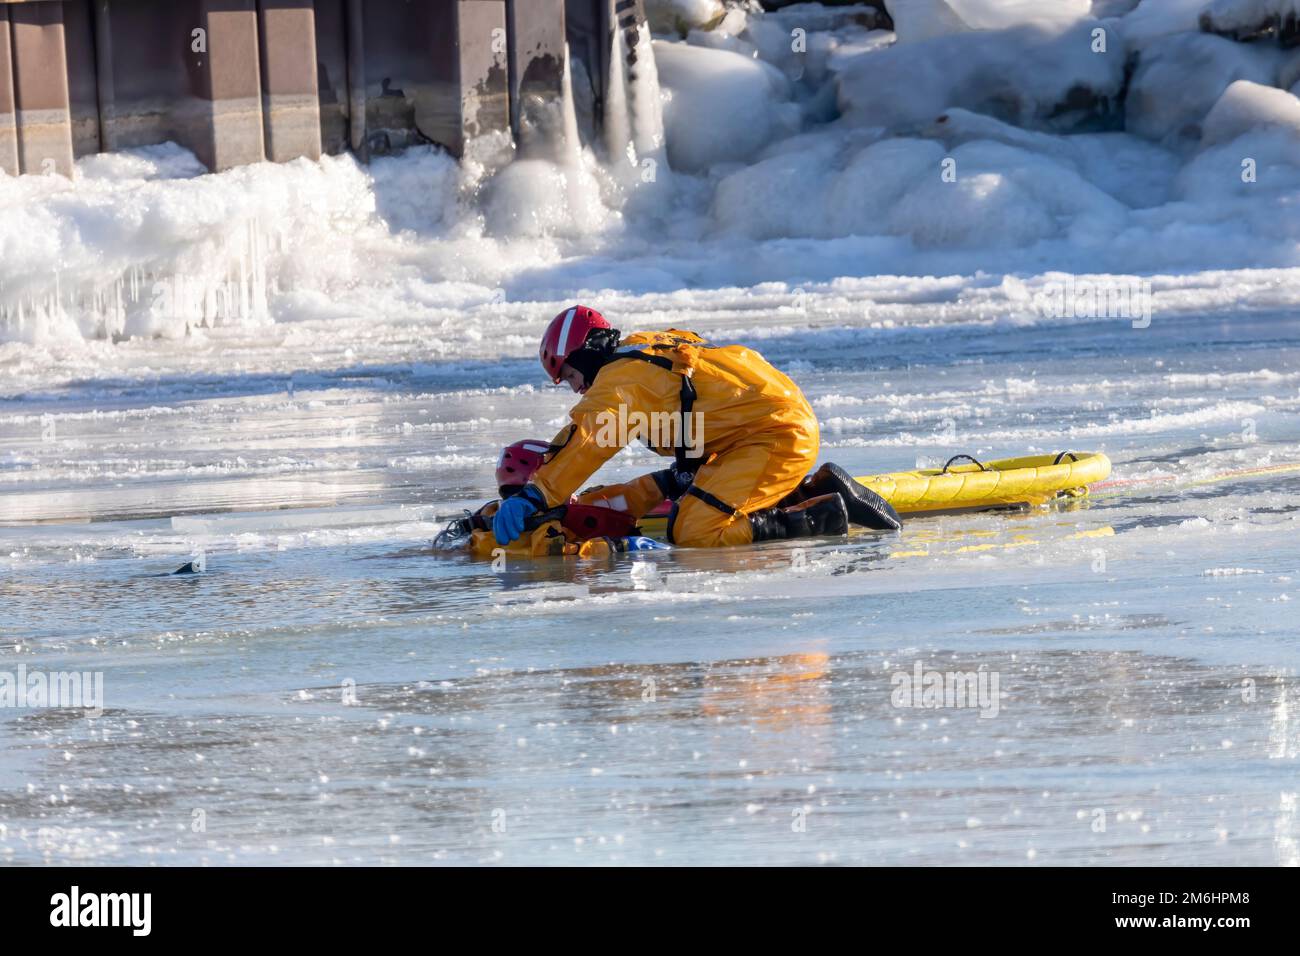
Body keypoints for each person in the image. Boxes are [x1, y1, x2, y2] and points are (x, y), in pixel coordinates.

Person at [492, 305, 901, 548]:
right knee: (686, 500)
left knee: (694, 530)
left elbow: (588, 443)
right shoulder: (641, 354)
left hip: (775, 436)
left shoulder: (622, 382)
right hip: (755, 434)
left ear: (582, 355)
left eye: (567, 375)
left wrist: (536, 495)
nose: (572, 388)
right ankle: (810, 489)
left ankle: (825, 513)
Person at [445, 439, 669, 558]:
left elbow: (624, 497)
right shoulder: (527, 526)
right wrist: (620, 546)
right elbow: (560, 553)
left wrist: (666, 481)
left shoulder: (493, 512)